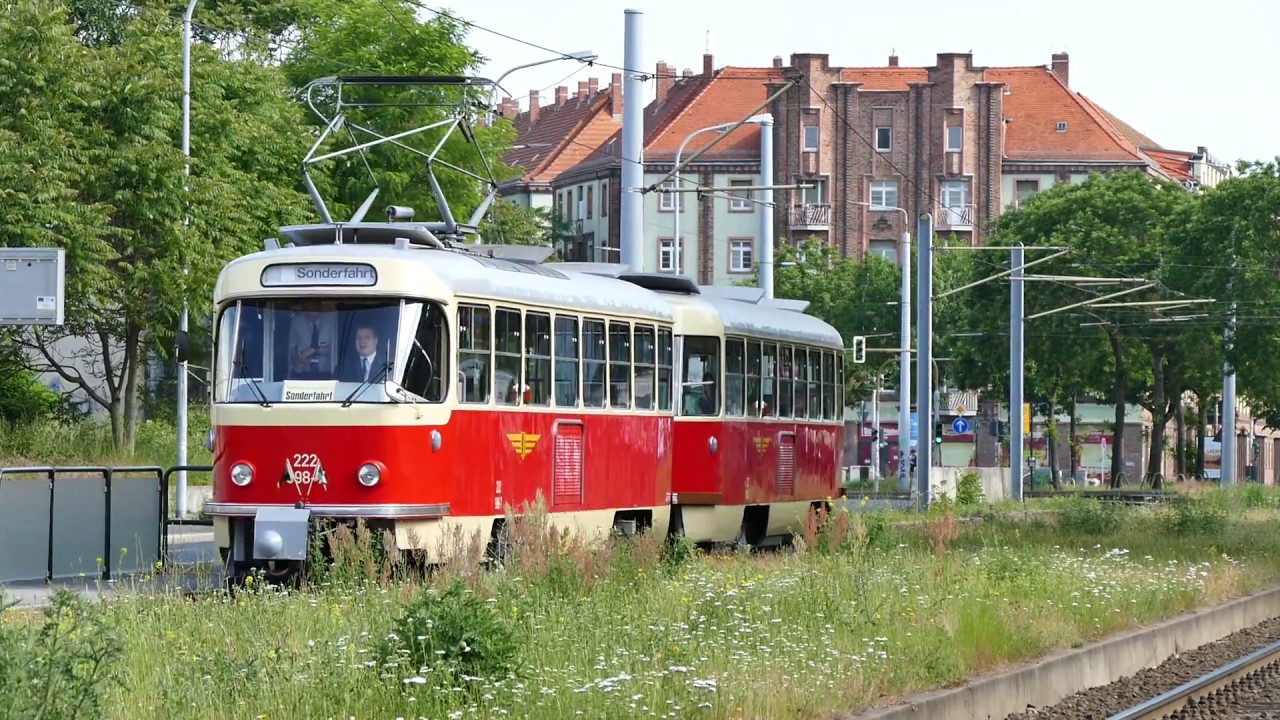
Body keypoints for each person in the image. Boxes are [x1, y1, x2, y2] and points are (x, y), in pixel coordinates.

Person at [288, 301, 337, 378]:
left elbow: (336, 348)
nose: (311, 309)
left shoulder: (332, 321)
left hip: (328, 372)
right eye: (307, 307)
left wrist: (314, 350)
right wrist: (295, 362)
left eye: (313, 307)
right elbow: (292, 347)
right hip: (304, 372)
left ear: (319, 307)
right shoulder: (296, 323)